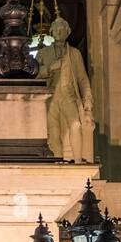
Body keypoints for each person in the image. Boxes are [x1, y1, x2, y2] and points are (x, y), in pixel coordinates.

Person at [37, 17, 95, 163]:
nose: (59, 32)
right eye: (56, 29)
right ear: (51, 31)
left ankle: (78, 161)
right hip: (50, 97)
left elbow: (82, 78)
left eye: (62, 29)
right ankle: (58, 161)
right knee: (54, 132)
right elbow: (34, 75)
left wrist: (87, 99)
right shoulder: (43, 53)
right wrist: (50, 68)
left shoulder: (74, 53)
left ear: (67, 32)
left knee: (76, 125)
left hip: (68, 95)